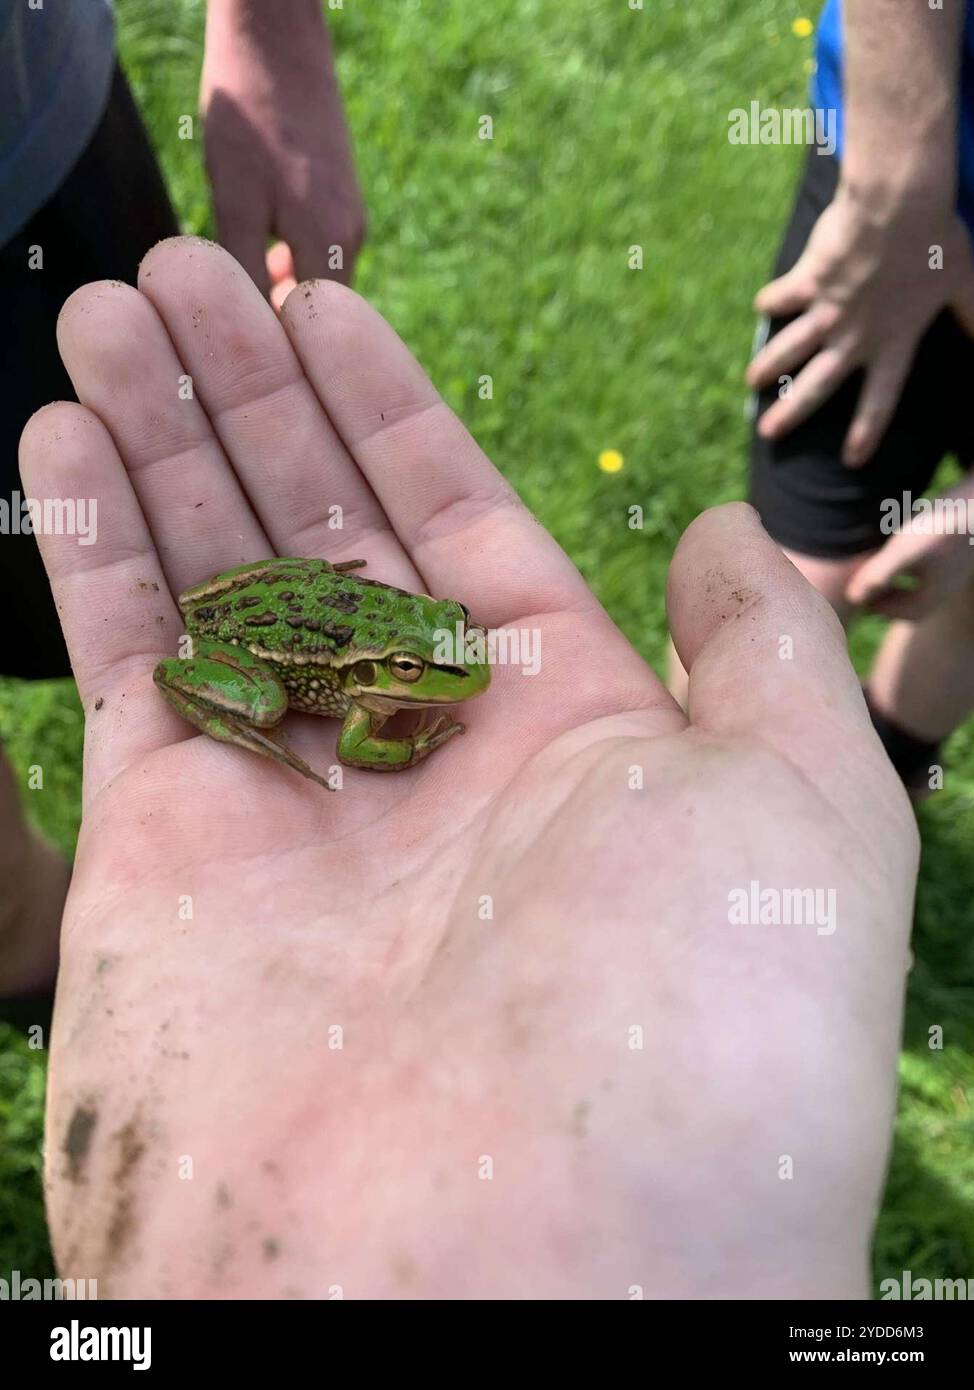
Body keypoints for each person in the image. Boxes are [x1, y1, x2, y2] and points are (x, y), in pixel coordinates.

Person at [21, 237, 917, 1297]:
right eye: (418, 669)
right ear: (388, 667)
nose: (452, 670)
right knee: (263, 696)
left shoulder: (424, 638)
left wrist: (408, 664)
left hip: (293, 595)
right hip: (247, 647)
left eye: (445, 642)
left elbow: (422, 650)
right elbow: (361, 739)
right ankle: (251, 719)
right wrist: (417, 731)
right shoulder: (369, 696)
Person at [0, 0, 364, 1001]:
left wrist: (272, 33)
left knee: (122, 479)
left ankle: (33, 950)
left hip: (25, 147)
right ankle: (25, 948)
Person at [708, 0, 974, 797]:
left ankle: (890, 786)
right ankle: (704, 815)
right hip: (901, 205)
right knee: (784, 594)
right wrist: (898, 194)